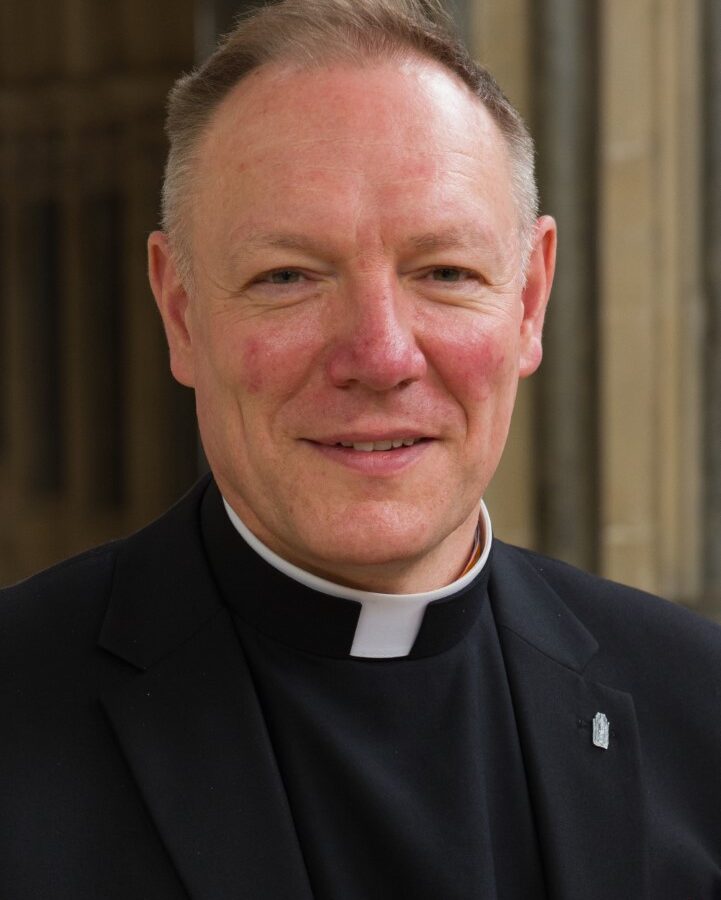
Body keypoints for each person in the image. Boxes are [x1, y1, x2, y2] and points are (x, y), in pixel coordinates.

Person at [2, 1, 720, 897]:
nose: (379, 356)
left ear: (528, 300)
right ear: (181, 313)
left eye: (445, 272)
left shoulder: (700, 704)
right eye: (289, 276)